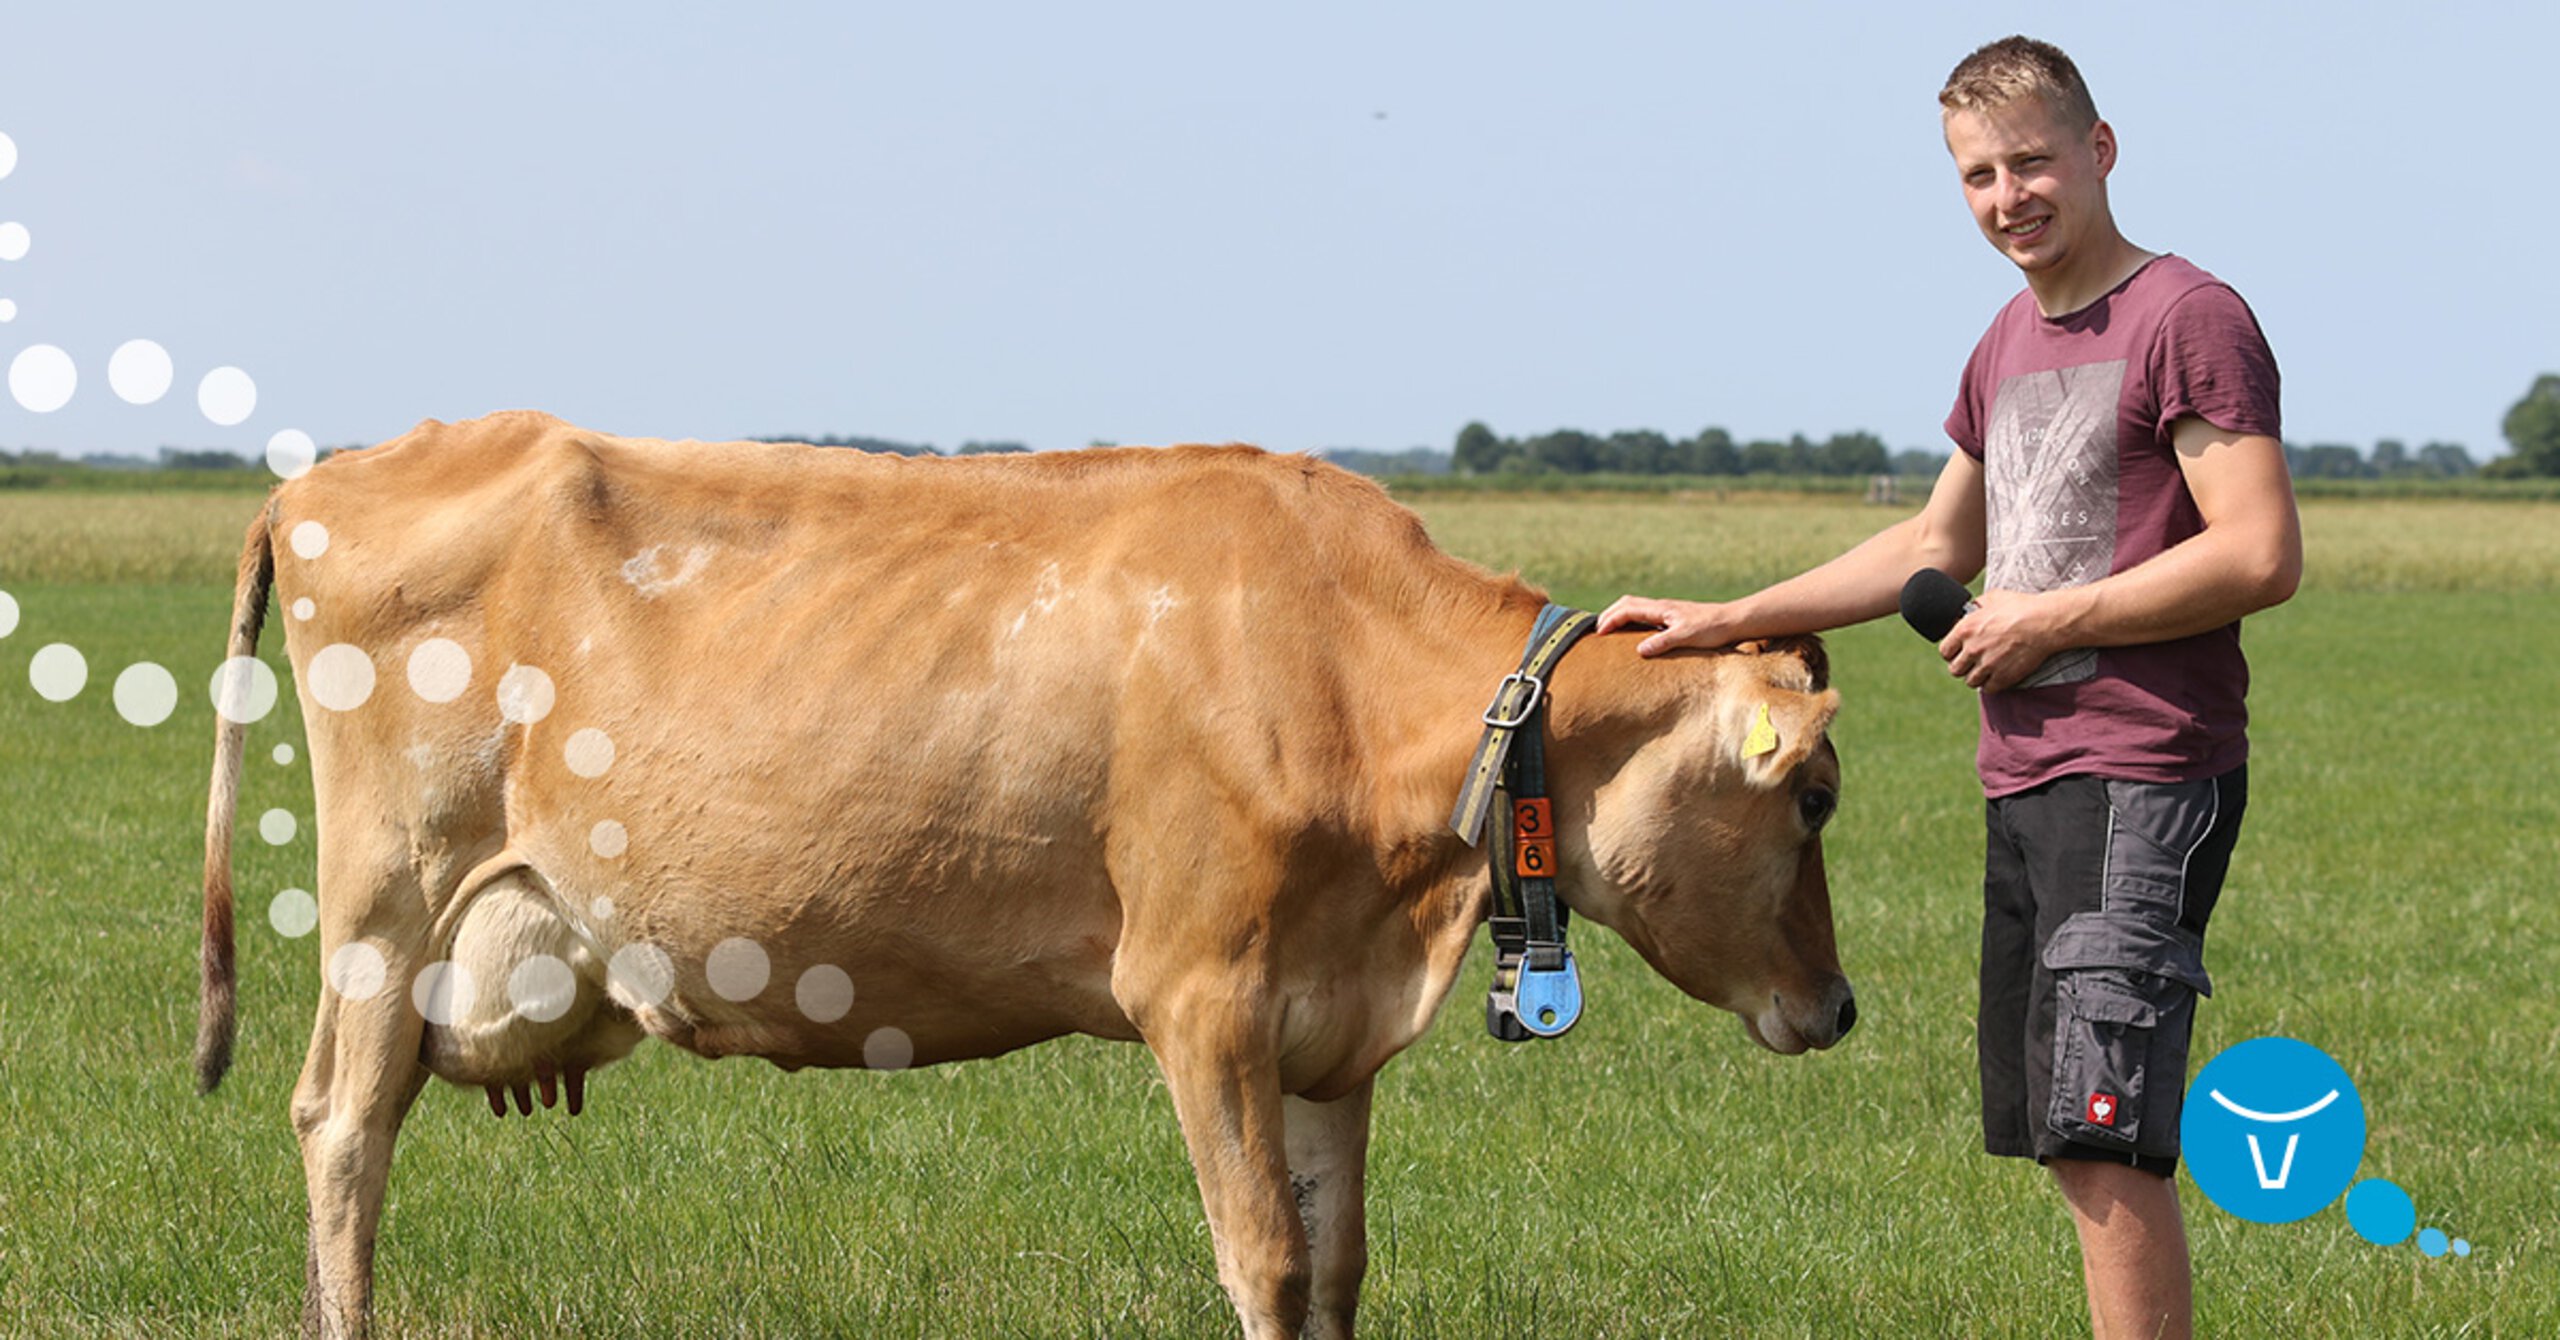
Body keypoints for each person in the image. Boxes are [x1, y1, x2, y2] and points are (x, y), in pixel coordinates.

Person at [1598, 35, 2300, 1340]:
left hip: (2143, 768)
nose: (2006, 195)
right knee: (2066, 1132)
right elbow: (1935, 549)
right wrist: (1728, 616)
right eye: (1977, 175)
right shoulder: (2009, 343)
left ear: (2099, 151)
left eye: (2031, 161)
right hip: (2029, 777)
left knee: (2106, 1133)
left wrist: (2052, 619)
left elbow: (2259, 550)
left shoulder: (2188, 318)